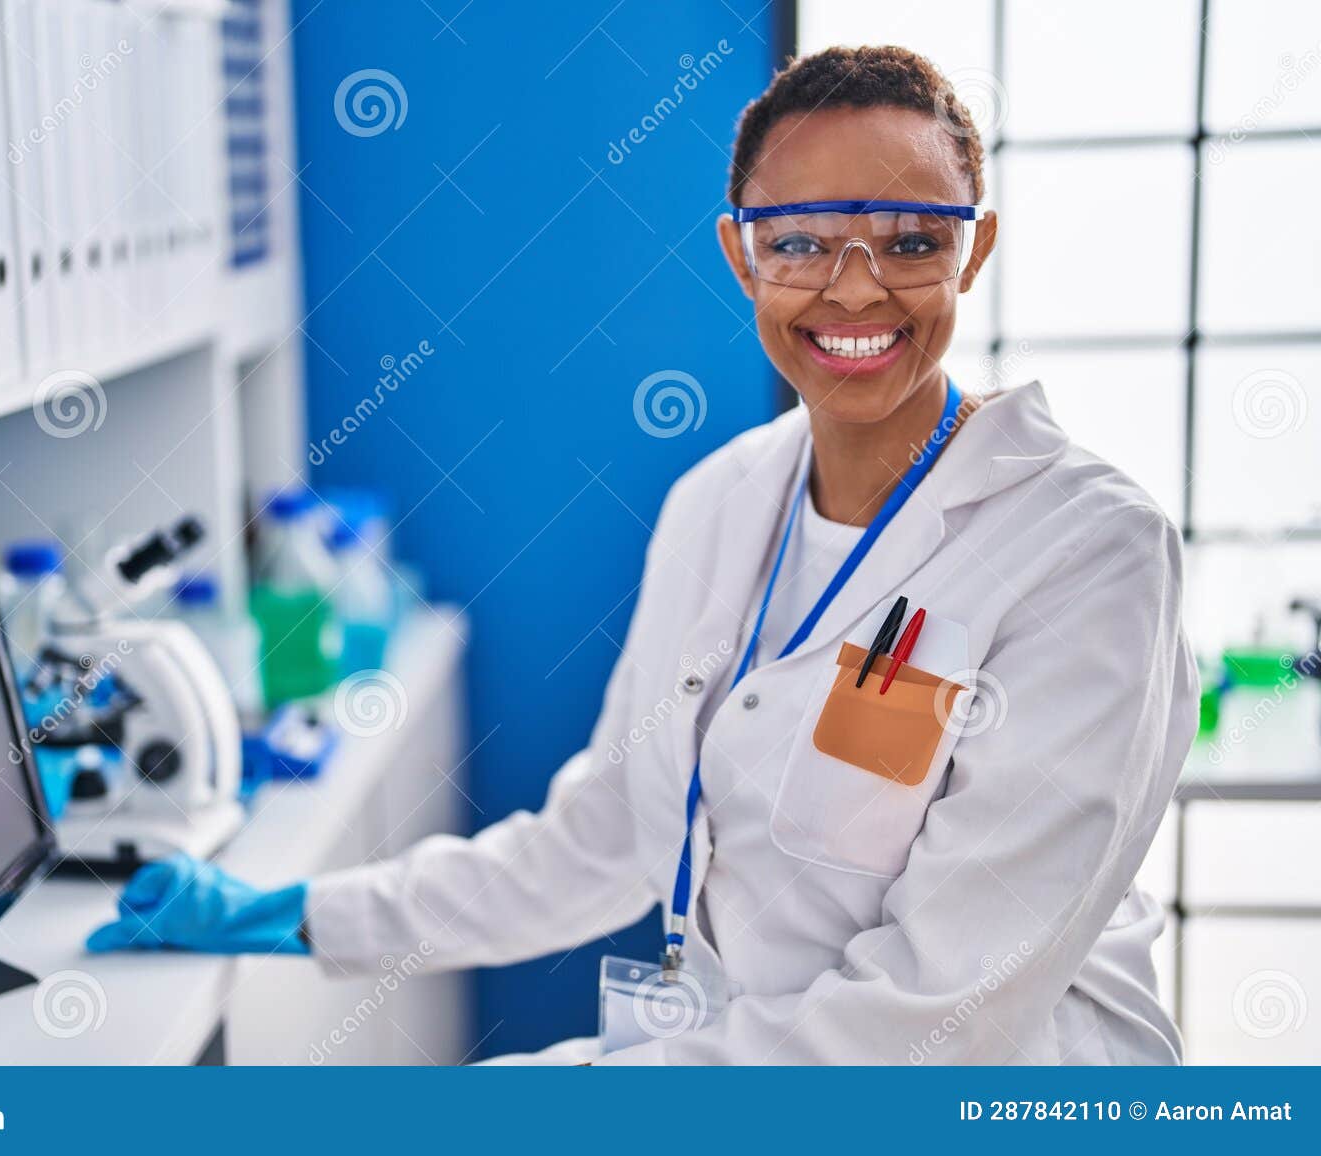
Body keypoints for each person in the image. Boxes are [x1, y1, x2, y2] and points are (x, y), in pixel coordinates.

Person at [89, 46, 1198, 1065]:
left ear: (973, 249)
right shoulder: (717, 502)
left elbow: (937, 1014)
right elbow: (606, 835)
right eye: (800, 241)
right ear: (739, 254)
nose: (855, 288)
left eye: (911, 241)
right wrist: (296, 912)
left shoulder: (1089, 552)